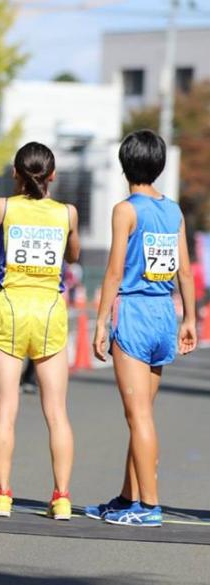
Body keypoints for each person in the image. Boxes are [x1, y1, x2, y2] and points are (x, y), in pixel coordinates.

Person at [86, 130, 196, 527]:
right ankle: (127, 497)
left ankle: (149, 506)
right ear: (161, 165)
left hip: (132, 311)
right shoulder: (173, 211)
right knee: (143, 413)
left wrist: (100, 321)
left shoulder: (125, 210)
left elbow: (114, 271)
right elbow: (184, 269)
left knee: (138, 417)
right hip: (164, 313)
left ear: (124, 165)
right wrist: (190, 319)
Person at [0, 142, 80, 520]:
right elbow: (73, 256)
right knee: (57, 412)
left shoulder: (2, 207)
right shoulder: (67, 213)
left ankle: (3, 494)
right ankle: (62, 497)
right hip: (50, 310)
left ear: (16, 174)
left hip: (11, 308)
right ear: (52, 176)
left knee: (6, 409)